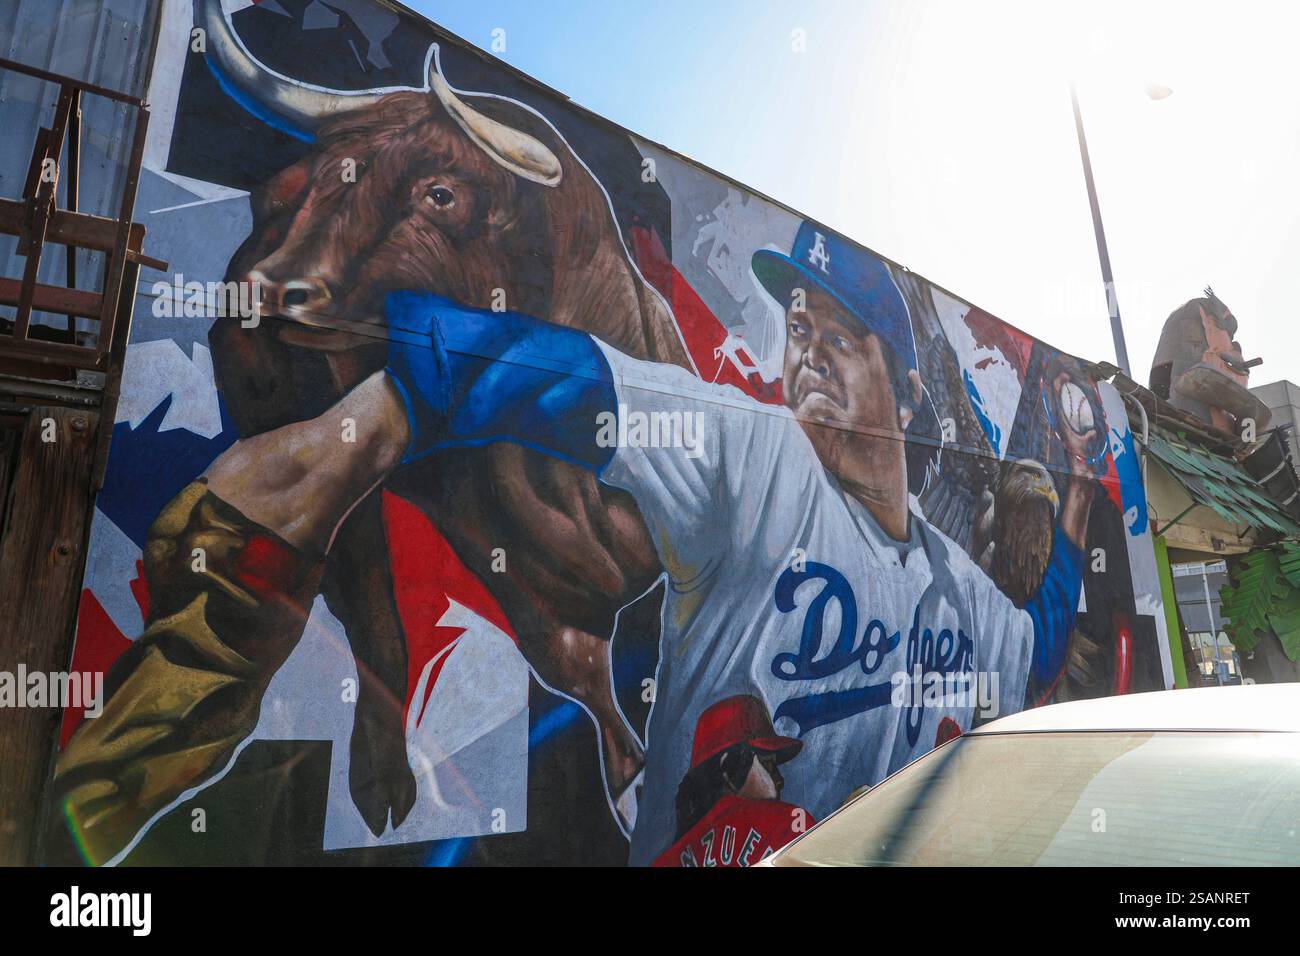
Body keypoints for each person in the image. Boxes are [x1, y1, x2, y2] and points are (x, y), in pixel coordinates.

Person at [55, 221, 1095, 866]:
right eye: (797, 324)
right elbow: (577, 384)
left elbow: (1039, 629)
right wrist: (408, 386)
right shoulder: (755, 457)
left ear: (907, 383)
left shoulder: (959, 595)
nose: (807, 348)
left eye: (841, 333)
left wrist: (1059, 487)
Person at [653, 694, 813, 867]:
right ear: (730, 768)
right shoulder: (785, 823)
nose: (779, 779)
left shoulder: (664, 862)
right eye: (768, 765)